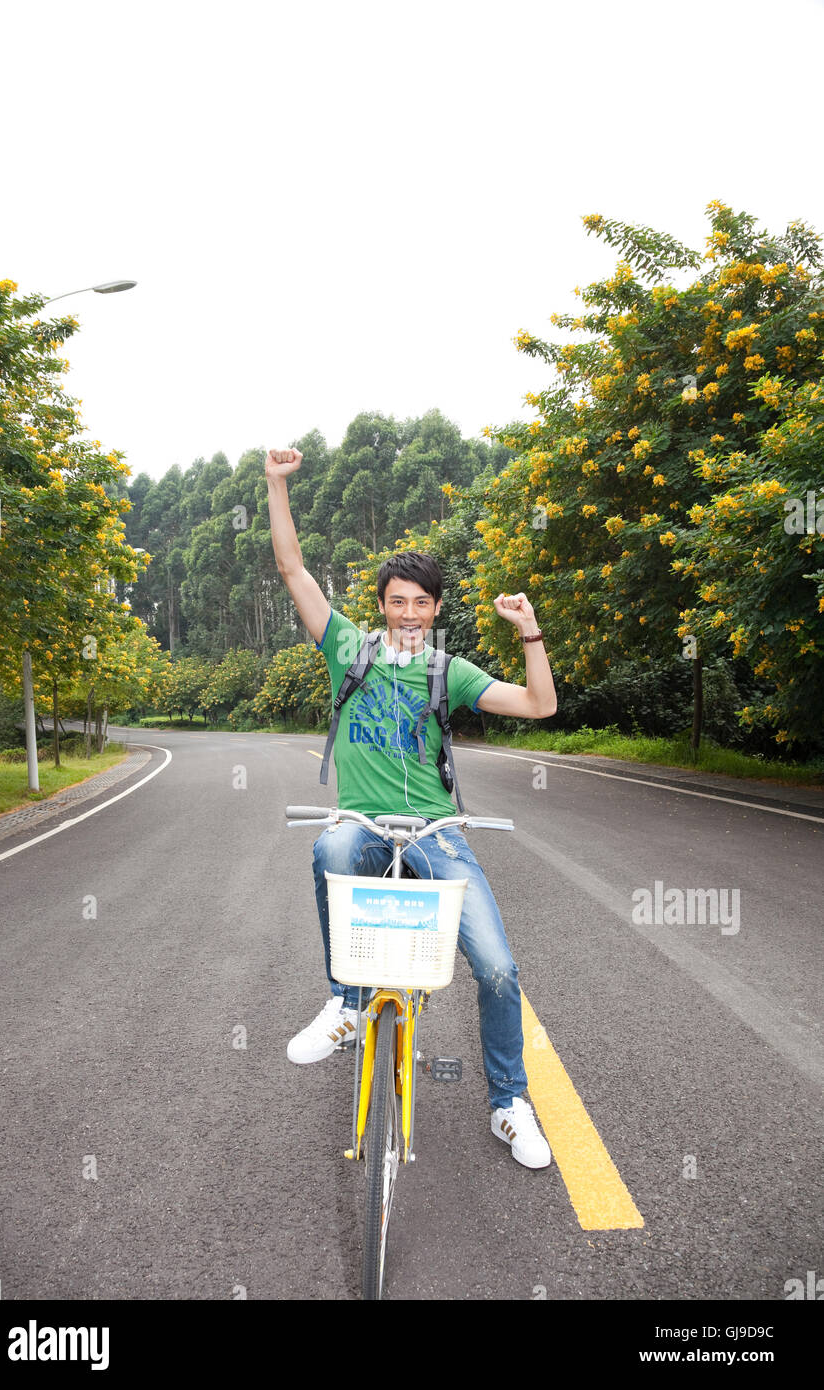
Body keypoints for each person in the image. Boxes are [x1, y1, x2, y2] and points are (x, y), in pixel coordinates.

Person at [266, 446, 558, 1169]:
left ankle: (509, 1105)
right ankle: (343, 1002)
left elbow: (539, 704)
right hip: (364, 824)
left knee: (496, 967)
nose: (408, 613)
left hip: (436, 833)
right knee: (330, 846)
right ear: (382, 604)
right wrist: (276, 484)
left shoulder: (447, 670)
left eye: (420, 603)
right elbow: (293, 569)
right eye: (396, 600)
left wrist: (529, 629)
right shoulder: (346, 649)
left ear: (434, 610)